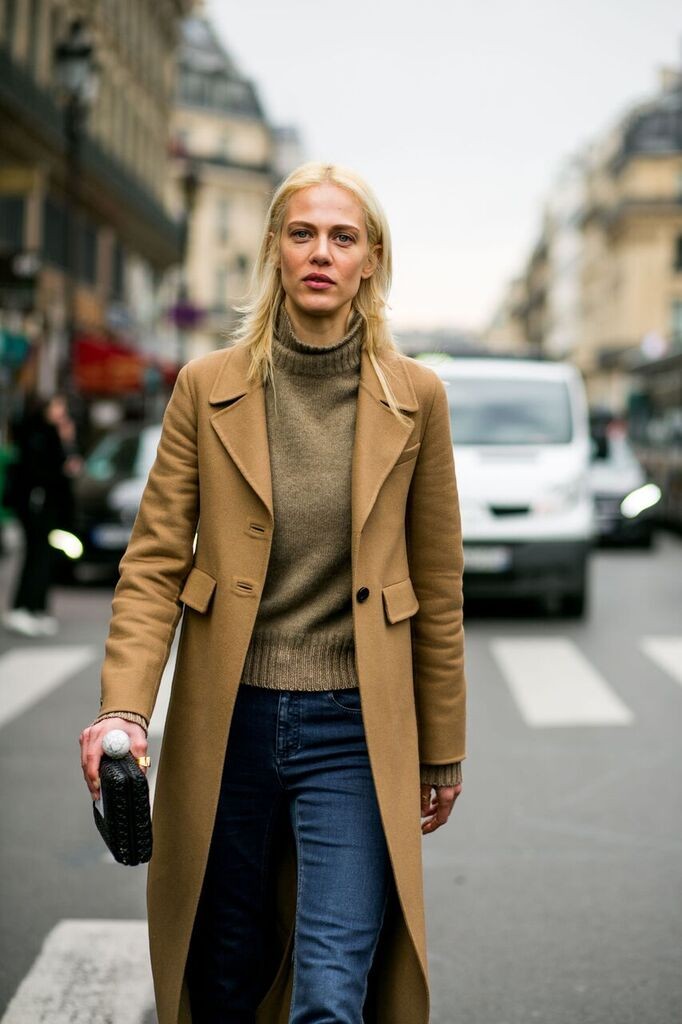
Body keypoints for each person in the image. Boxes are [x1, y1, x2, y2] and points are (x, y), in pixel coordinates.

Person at [79, 161, 467, 1024]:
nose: (320, 252)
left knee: (332, 992)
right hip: (231, 721)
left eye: (342, 237)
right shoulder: (204, 387)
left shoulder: (418, 399)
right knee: (224, 979)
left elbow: (438, 587)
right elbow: (151, 564)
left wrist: (441, 747)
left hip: (356, 731)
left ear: (372, 260)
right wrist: (124, 712)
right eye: (301, 234)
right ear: (274, 254)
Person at [2, 392, 80, 637]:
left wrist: (67, 442)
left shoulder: (51, 433)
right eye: (57, 406)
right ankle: (23, 607)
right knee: (36, 556)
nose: (61, 411)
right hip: (36, 505)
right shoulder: (37, 433)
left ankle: (36, 608)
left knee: (44, 557)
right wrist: (64, 458)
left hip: (48, 506)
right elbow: (43, 470)